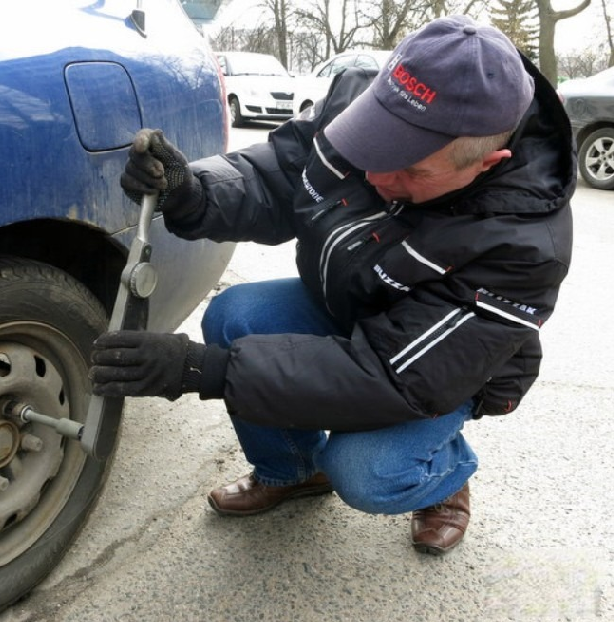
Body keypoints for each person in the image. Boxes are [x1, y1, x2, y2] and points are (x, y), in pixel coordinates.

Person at [89, 15, 575, 555]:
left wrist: (202, 370)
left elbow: (395, 376)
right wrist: (193, 195)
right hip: (352, 306)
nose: (376, 176)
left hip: (438, 369)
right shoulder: (362, 104)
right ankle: (292, 472)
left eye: (410, 170)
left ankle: (445, 473)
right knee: (235, 315)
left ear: (489, 163)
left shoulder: (523, 245)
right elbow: (279, 174)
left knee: (366, 471)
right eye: (372, 146)